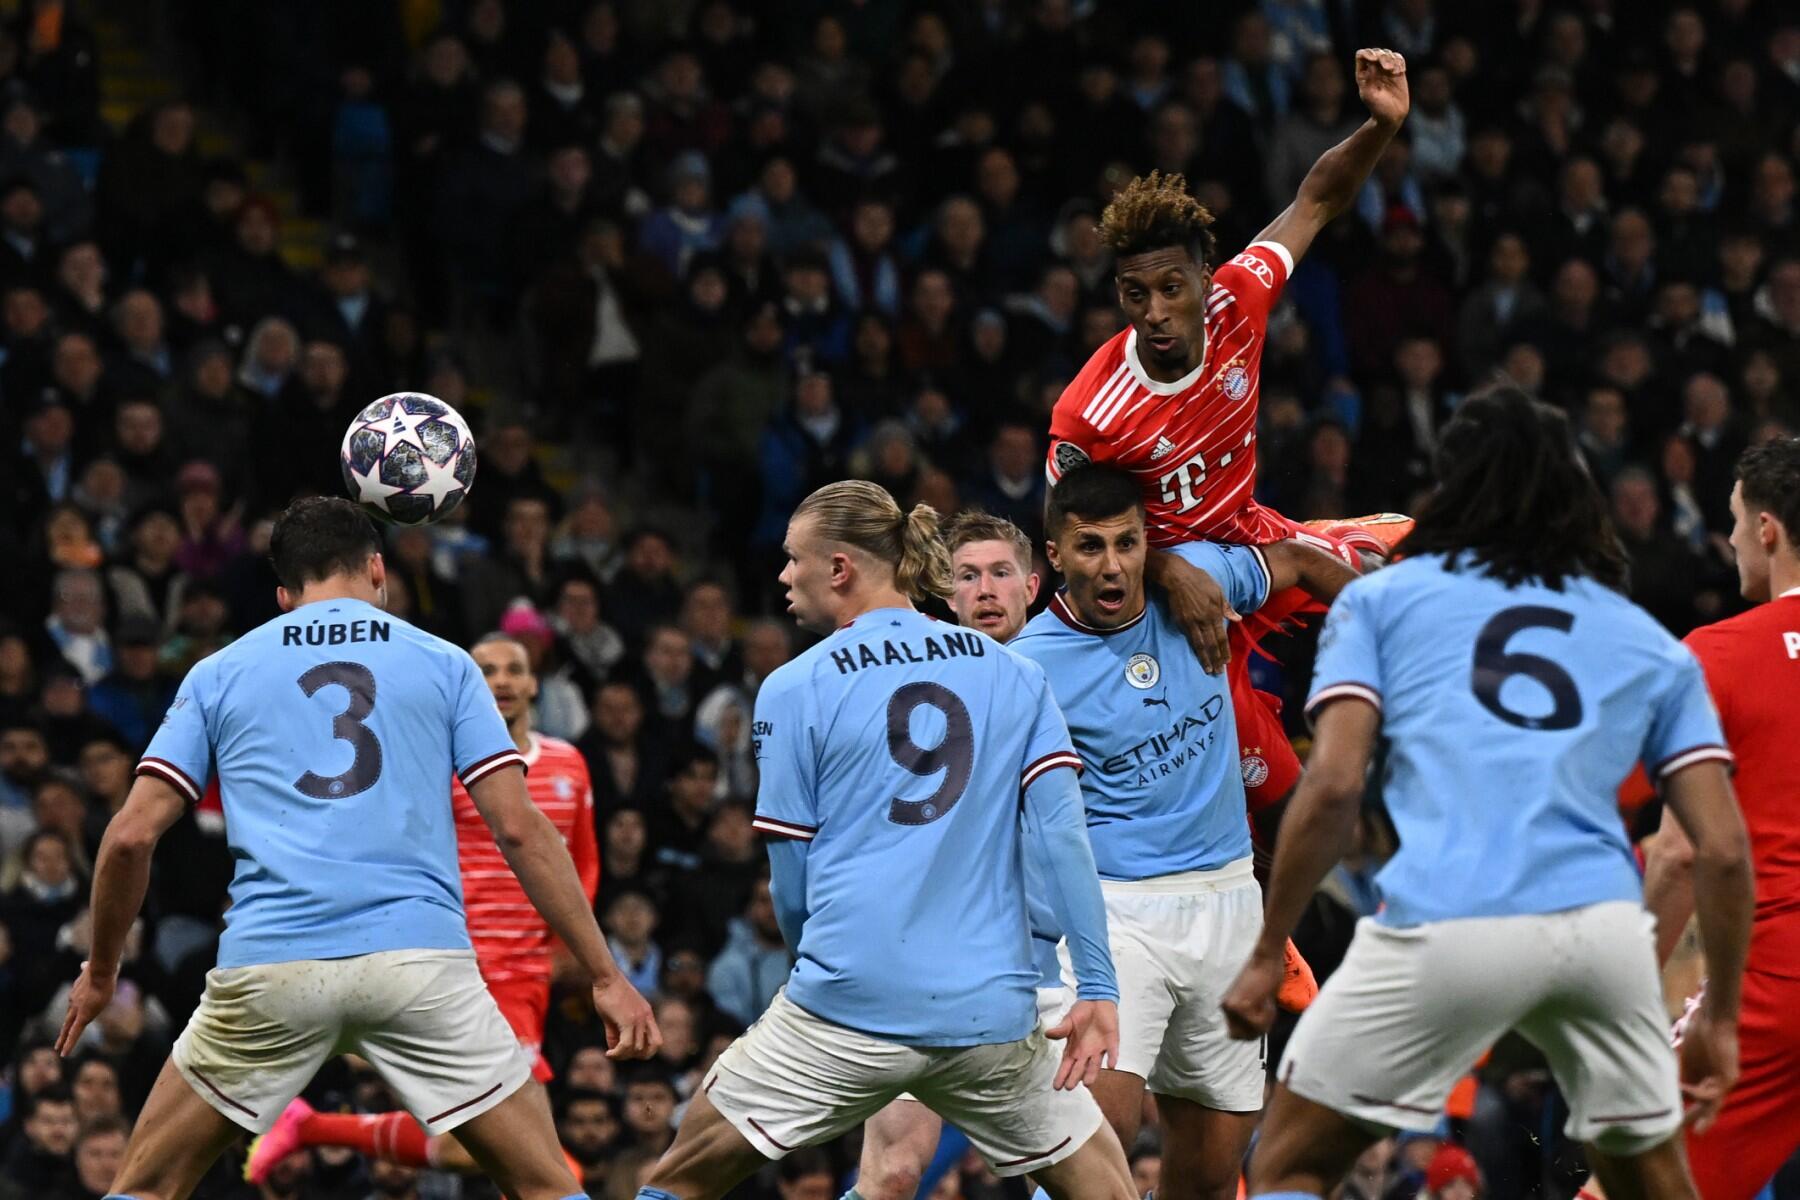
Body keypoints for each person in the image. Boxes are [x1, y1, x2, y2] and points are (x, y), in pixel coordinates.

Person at [1219, 389, 1753, 1200]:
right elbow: (1722, 847)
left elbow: (1332, 789)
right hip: (1600, 939)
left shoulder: (1383, 602)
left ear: (1450, 490)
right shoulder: (1643, 636)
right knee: (1650, 1185)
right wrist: (1720, 1018)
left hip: (1446, 921)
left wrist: (1268, 951)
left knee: (1289, 1164)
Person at [56, 496, 660, 1200]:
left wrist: (103, 970)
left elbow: (130, 837)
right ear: (378, 570)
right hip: (420, 968)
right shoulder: (445, 664)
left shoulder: (219, 673)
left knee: (147, 1185)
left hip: (272, 965)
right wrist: (605, 974)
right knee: (547, 1185)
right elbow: (521, 828)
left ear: (284, 595)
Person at [634, 481, 1135, 1200]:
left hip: (849, 1002)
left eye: (794, 558)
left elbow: (791, 882)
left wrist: (819, 979)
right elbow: (1063, 837)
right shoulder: (1015, 673)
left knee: (681, 1179)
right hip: (989, 1014)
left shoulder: (792, 687)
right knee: (1109, 1191)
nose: (783, 575)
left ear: (839, 568)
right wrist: (1100, 987)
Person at [1043, 49, 1413, 823]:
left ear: (1204, 278)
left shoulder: (1238, 302)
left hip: (1253, 543)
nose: (1154, 312)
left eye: (1171, 288)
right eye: (1135, 293)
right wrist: (1168, 569)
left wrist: (1380, 127)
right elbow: (1077, 542)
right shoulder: (1091, 414)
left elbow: (1316, 199)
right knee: (1283, 806)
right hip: (1174, 604)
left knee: (1423, 554)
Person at [1008, 465, 1355, 1200]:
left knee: (1208, 1179)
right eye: (1091, 547)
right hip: (1117, 918)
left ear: (1148, 543)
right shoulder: (1028, 668)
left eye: (1128, 543)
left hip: (1230, 901)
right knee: (1090, 1159)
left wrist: (1387, 635)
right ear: (1056, 554)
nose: (1113, 565)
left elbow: (1297, 561)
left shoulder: (1198, 579)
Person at [247, 631, 601, 1181]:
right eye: (487, 671)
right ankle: (313, 1127)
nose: (502, 681)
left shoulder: (569, 764)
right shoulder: (440, 762)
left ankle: (309, 1125)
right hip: (462, 962)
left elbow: (581, 865)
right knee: (532, 1158)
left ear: (534, 684)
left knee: (507, 1149)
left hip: (527, 973)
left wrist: (569, 952)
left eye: (513, 669)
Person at [851, 510, 1047, 1200]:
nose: (985, 590)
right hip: (930, 958)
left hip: (1052, 963)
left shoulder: (1072, 669)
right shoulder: (909, 685)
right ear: (945, 591)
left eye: (1000, 573)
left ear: (1032, 584)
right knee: (895, 1169)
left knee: (1073, 1171)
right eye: (968, 576)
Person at [1632, 437, 1800, 1200]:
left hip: (1776, 984)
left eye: (1734, 519)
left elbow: (1677, 857)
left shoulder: (1716, 654)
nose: (1729, 539)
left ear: (1767, 529)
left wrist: (1627, 999)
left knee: (1636, 1179)